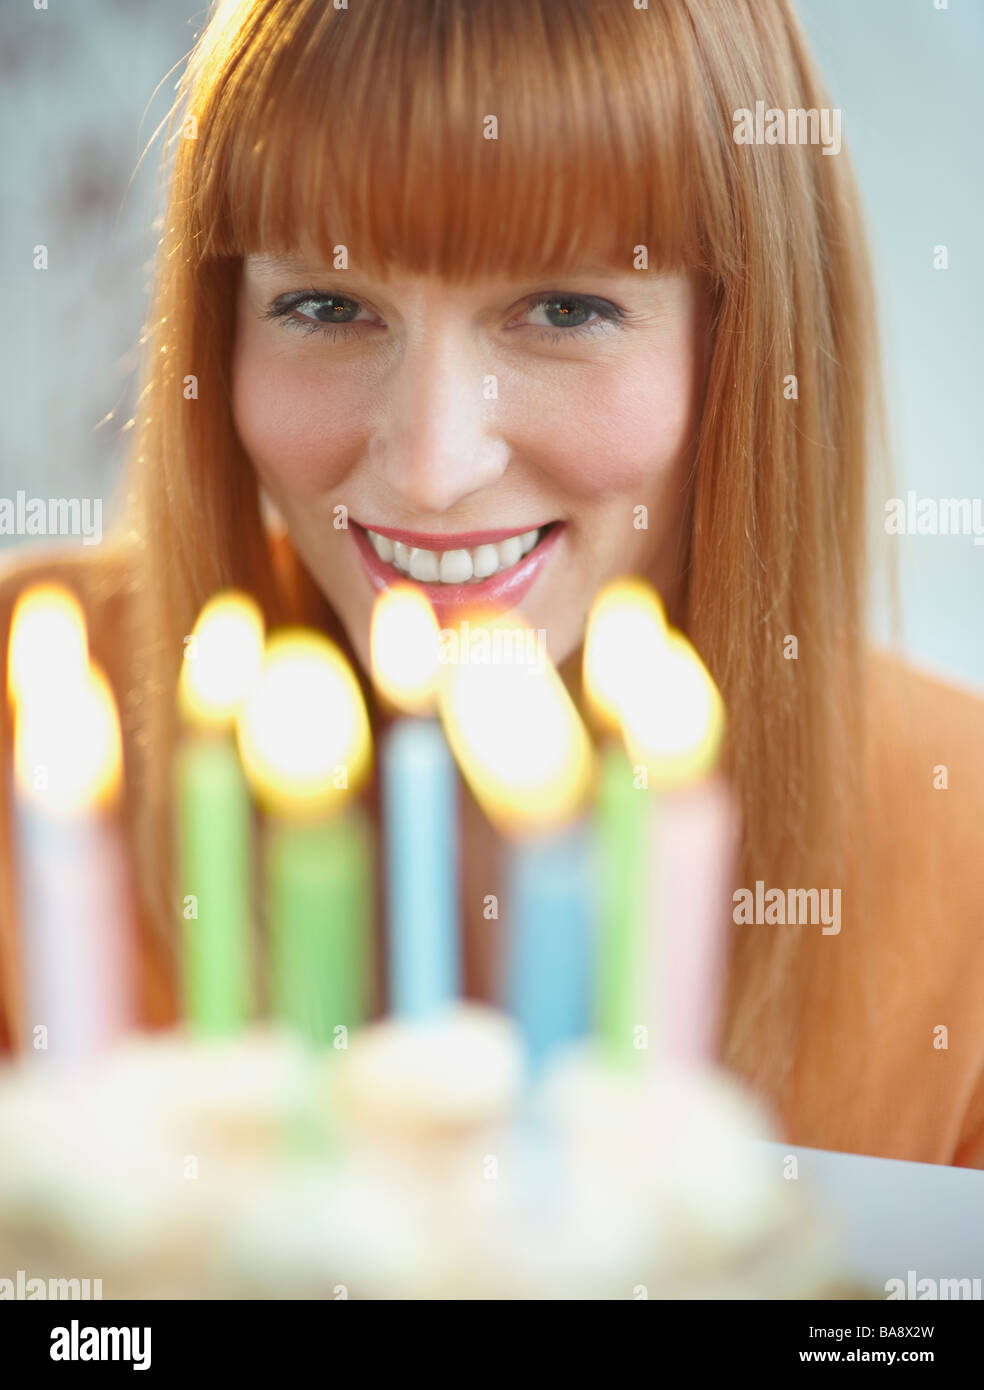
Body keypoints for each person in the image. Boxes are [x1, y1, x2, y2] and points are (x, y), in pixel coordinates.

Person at [1, 0, 982, 1166]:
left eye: (565, 309)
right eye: (326, 305)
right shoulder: (32, 718)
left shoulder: (962, 860)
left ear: (741, 338)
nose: (431, 466)